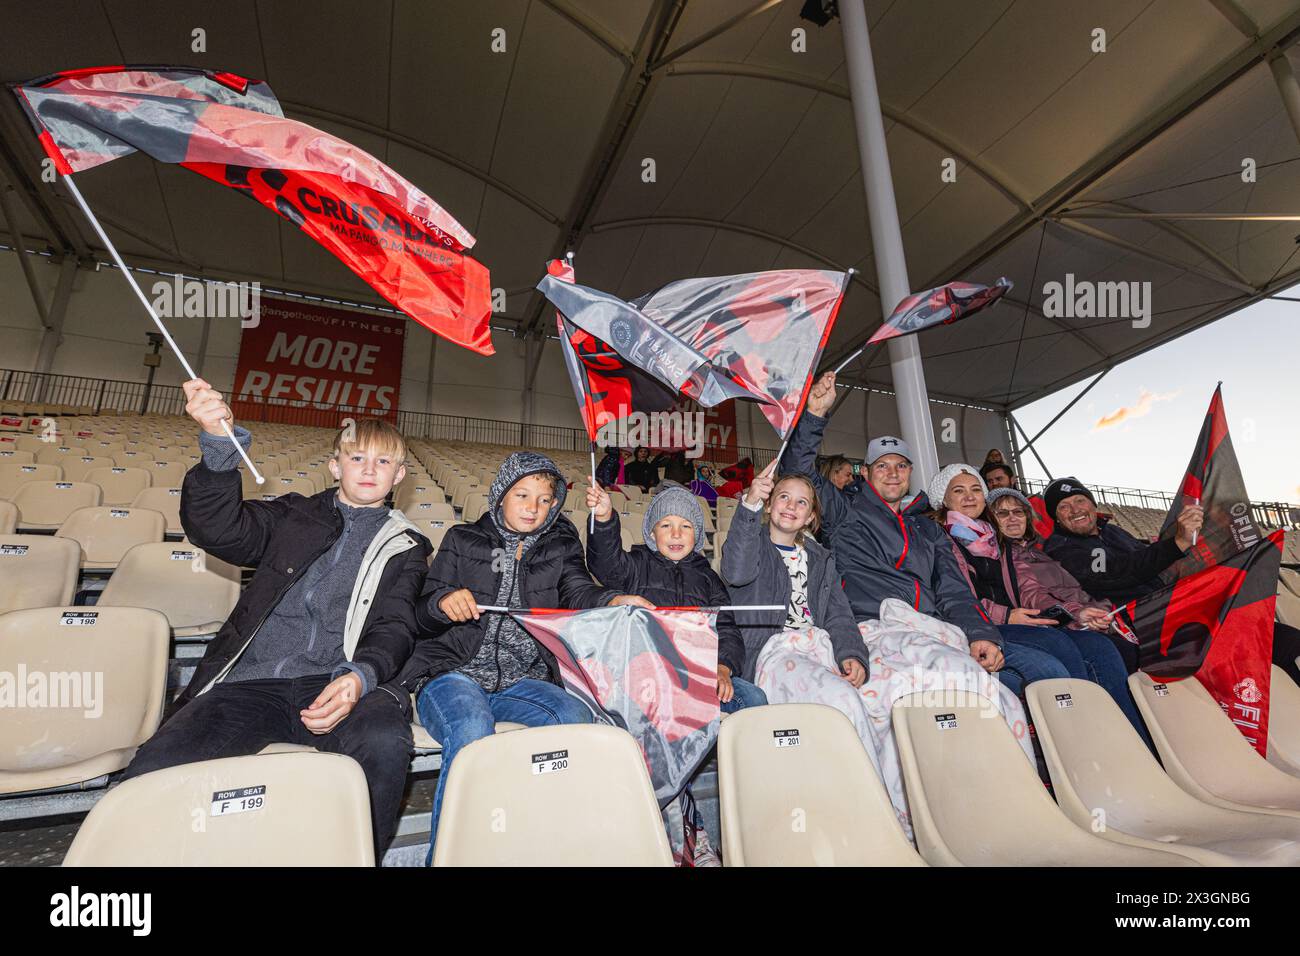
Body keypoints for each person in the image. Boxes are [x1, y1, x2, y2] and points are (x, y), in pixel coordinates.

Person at [121, 379, 431, 861]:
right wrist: (220, 446)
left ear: (400, 475)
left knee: (384, 743)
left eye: (383, 461)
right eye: (356, 458)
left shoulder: (408, 545)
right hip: (251, 682)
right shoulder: (292, 515)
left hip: (335, 683)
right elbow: (217, 529)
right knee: (154, 769)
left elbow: (395, 624)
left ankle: (357, 854)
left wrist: (360, 677)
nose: (369, 469)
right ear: (334, 466)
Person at [780, 372, 1043, 838]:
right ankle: (900, 826)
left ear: (910, 475)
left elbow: (955, 593)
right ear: (867, 473)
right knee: (918, 701)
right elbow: (798, 473)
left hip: (931, 630)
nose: (893, 473)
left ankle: (1012, 812)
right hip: (873, 630)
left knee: (992, 699)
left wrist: (982, 634)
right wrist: (815, 417)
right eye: (883, 466)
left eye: (901, 465)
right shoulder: (844, 511)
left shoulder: (929, 529)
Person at [390, 451, 650, 863]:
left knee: (574, 719)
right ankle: (449, 855)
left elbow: (578, 592)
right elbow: (419, 613)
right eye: (522, 495)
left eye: (544, 500)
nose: (533, 508)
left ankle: (542, 841)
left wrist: (614, 598)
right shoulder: (462, 539)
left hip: (520, 681)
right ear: (500, 497)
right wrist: (442, 602)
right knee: (472, 727)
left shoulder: (560, 548)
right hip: (452, 674)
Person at [930, 467, 1153, 746]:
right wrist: (1007, 615)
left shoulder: (997, 542)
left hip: (1016, 620)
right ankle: (1086, 745)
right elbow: (953, 595)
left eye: (976, 490)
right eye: (958, 490)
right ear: (943, 499)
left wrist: (1075, 611)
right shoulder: (939, 537)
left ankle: (1135, 745)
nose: (969, 497)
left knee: (1100, 647)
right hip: (981, 625)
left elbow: (1031, 591)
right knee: (1057, 645)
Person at [1043, 476, 1300, 685]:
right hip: (1148, 627)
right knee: (1262, 644)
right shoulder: (1061, 548)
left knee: (1280, 640)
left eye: (1080, 500)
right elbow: (1114, 571)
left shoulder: (1113, 531)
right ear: (1055, 517)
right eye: (1064, 506)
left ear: (1091, 503)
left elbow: (1153, 565)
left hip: (1176, 610)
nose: (1075, 509)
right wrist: (1176, 543)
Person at [720, 466, 873, 744]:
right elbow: (736, 571)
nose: (791, 506)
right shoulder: (752, 545)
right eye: (783, 497)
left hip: (817, 646)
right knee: (840, 700)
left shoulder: (820, 558)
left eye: (802, 502)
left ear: (811, 516)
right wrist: (750, 504)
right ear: (768, 505)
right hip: (774, 651)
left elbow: (838, 614)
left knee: (874, 701)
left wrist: (851, 652)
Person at [585, 482, 765, 714]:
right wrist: (603, 520)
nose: (676, 534)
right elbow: (605, 565)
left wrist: (723, 667)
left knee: (752, 697)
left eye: (686, 526)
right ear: (652, 532)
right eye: (666, 525)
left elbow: (726, 627)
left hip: (698, 674)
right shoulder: (635, 565)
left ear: (697, 534)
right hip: (644, 675)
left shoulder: (708, 577)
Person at [981, 459, 1054, 538]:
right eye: (990, 481)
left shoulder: (1036, 501)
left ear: (1012, 480)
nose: (994, 483)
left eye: (999, 479)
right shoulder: (985, 510)